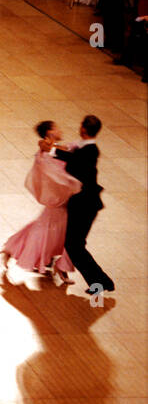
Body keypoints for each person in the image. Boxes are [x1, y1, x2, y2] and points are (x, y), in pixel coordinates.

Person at [0, 121, 84, 283]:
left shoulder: (54, 148)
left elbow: (69, 152)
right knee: (50, 232)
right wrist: (73, 186)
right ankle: (59, 267)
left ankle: (12, 250)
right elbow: (57, 175)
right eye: (57, 127)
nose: (60, 129)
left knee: (53, 232)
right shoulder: (46, 153)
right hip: (58, 201)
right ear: (50, 132)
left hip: (61, 201)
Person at [53, 115, 113, 294]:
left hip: (85, 206)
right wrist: (55, 150)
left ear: (84, 129)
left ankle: (101, 283)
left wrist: (52, 152)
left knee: (74, 245)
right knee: (75, 245)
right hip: (84, 204)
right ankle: (101, 282)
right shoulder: (85, 147)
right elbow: (72, 156)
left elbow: (73, 164)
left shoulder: (89, 151)